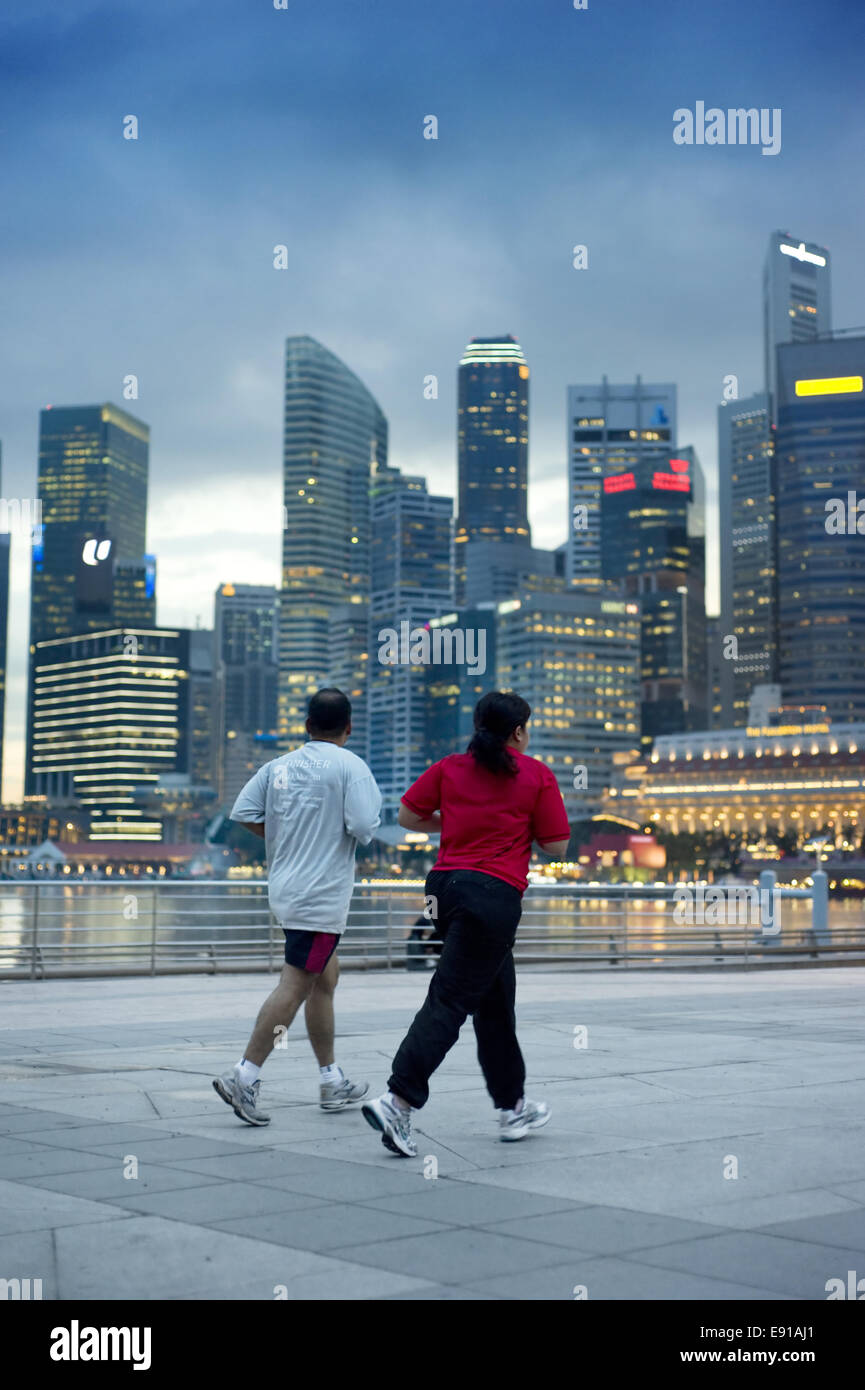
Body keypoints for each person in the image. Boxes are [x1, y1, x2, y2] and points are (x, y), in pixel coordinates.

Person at [362, 690, 570, 1156]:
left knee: (494, 1003)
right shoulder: (535, 775)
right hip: (492, 896)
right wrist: (518, 825)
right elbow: (556, 846)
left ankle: (512, 1106)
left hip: (443, 891)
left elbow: (408, 816)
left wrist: (455, 821)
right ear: (518, 731)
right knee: (451, 999)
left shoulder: (450, 767)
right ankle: (398, 1100)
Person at [213, 688, 382, 1126]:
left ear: (308, 726)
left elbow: (244, 811)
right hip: (321, 896)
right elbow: (363, 827)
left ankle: (331, 1079)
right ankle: (244, 1075)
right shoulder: (352, 767)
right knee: (294, 985)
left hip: (287, 889)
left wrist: (284, 836)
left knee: (324, 979)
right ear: (349, 727)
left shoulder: (278, 767)